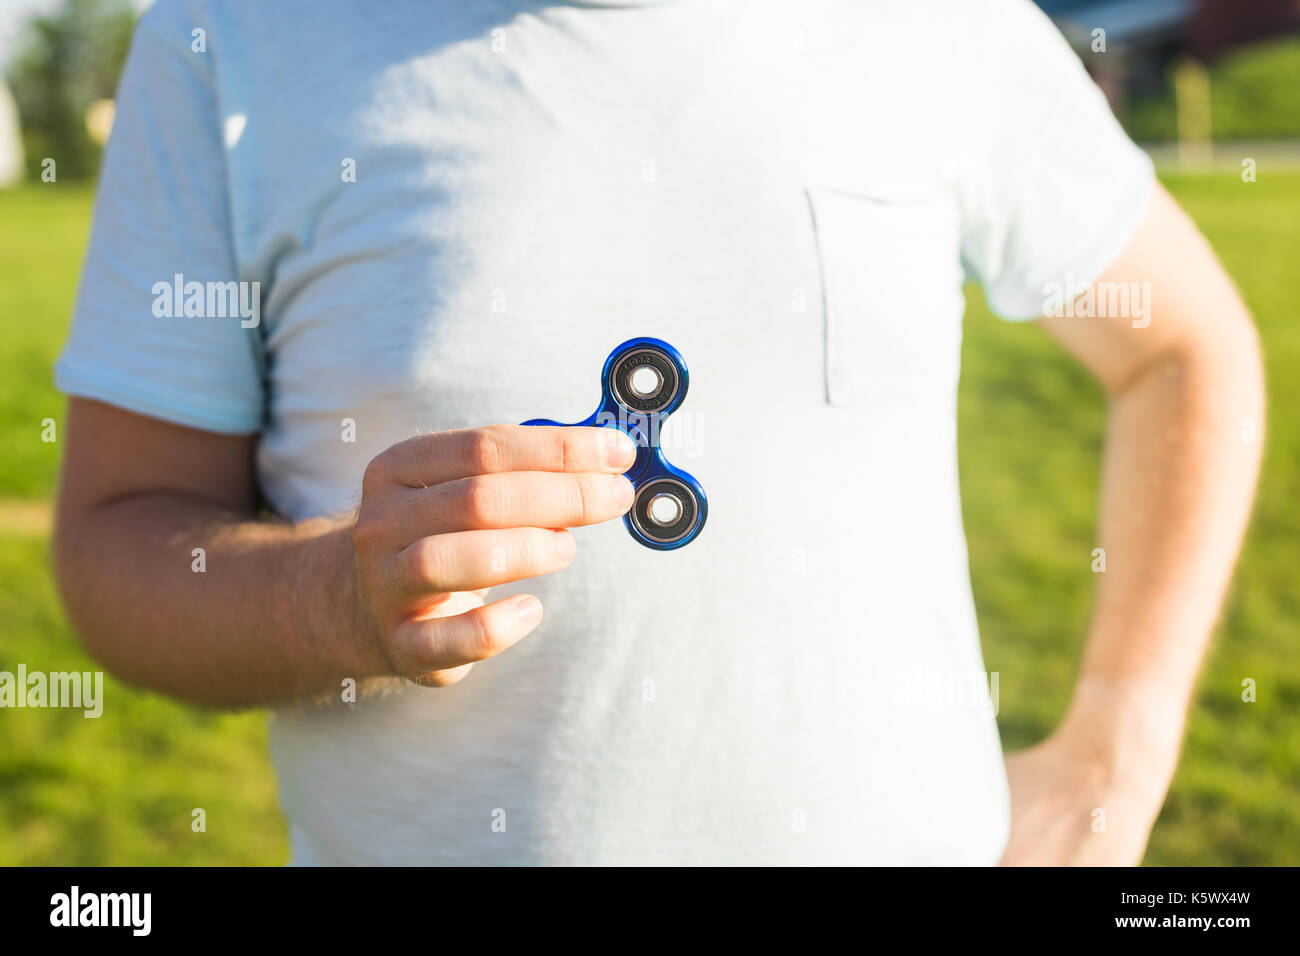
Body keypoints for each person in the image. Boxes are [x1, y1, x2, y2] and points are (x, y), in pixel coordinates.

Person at [53, 0, 1263, 865]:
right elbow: (120, 536)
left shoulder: (940, 23)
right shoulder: (228, 36)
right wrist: (331, 600)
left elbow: (1178, 346)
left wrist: (1119, 738)